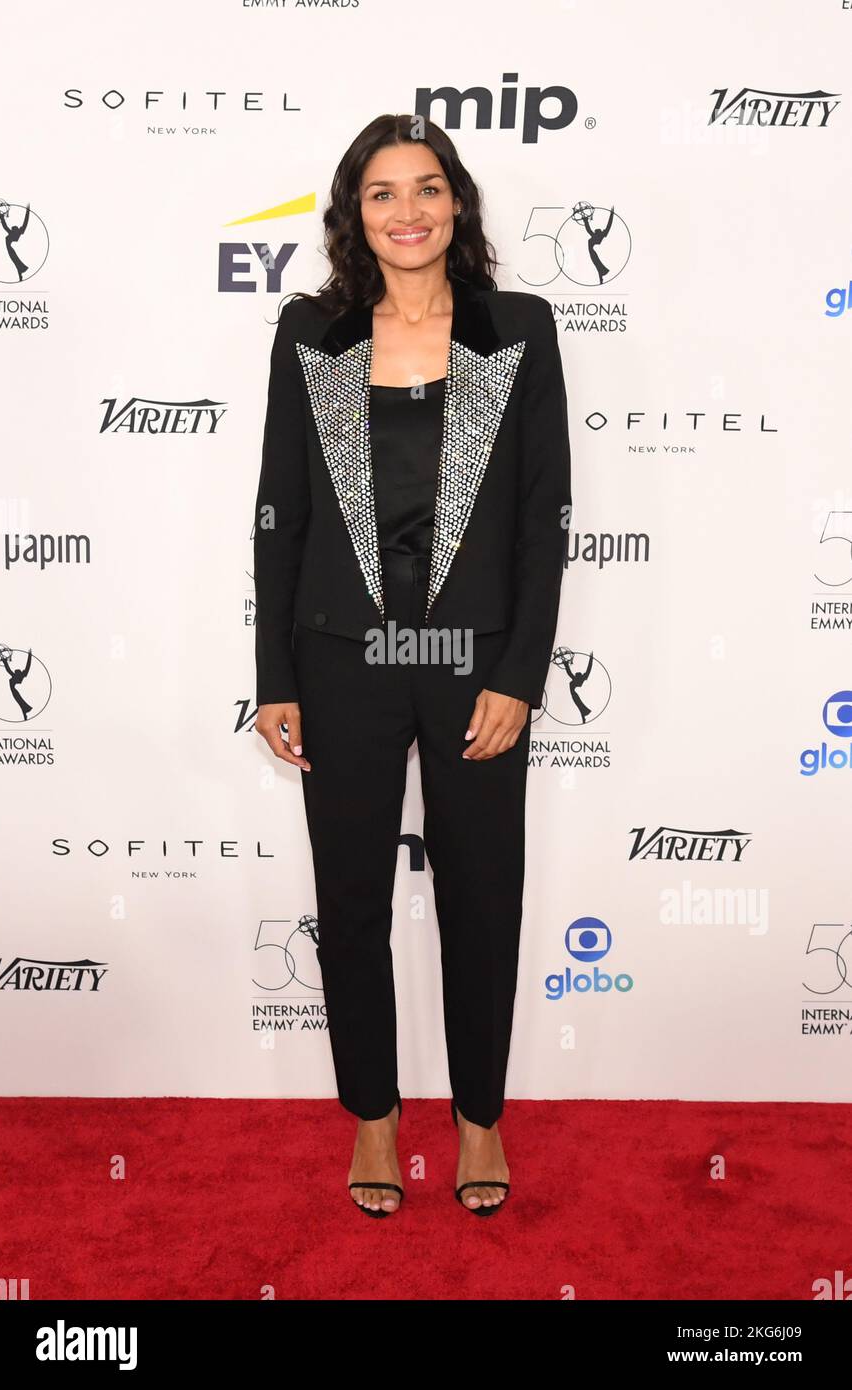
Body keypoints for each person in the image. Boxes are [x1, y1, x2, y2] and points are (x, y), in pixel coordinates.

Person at [253, 113, 571, 1217]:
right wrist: (275, 676)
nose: (406, 212)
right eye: (381, 193)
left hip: (472, 663)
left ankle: (478, 1118)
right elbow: (279, 518)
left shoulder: (517, 330)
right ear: (355, 212)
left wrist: (520, 674)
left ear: (456, 202)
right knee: (350, 902)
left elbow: (542, 521)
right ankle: (374, 1120)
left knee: (483, 894)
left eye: (425, 188)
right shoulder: (312, 333)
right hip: (340, 658)